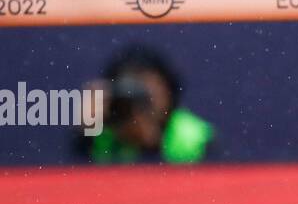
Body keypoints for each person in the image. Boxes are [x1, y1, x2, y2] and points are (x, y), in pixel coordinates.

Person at [80, 44, 216, 163]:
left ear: (168, 89)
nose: (140, 101)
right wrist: (85, 133)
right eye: (130, 90)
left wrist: (152, 143)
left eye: (148, 89)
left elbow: (214, 181)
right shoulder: (102, 135)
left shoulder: (195, 136)